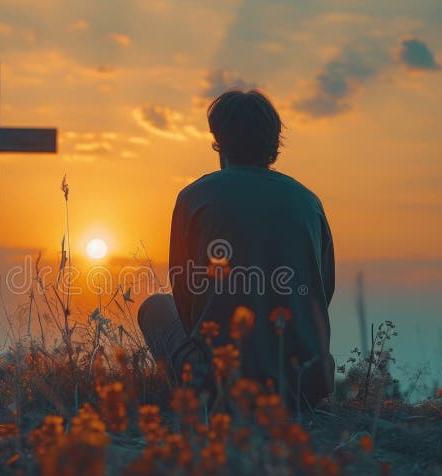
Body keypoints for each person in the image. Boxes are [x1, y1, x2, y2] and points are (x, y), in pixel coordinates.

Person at [138, 90, 335, 408]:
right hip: (305, 386)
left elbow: (185, 298)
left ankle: (199, 401)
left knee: (156, 307)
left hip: (221, 385)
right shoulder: (309, 203)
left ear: (219, 139)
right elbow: (322, 293)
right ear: (274, 143)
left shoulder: (195, 197)